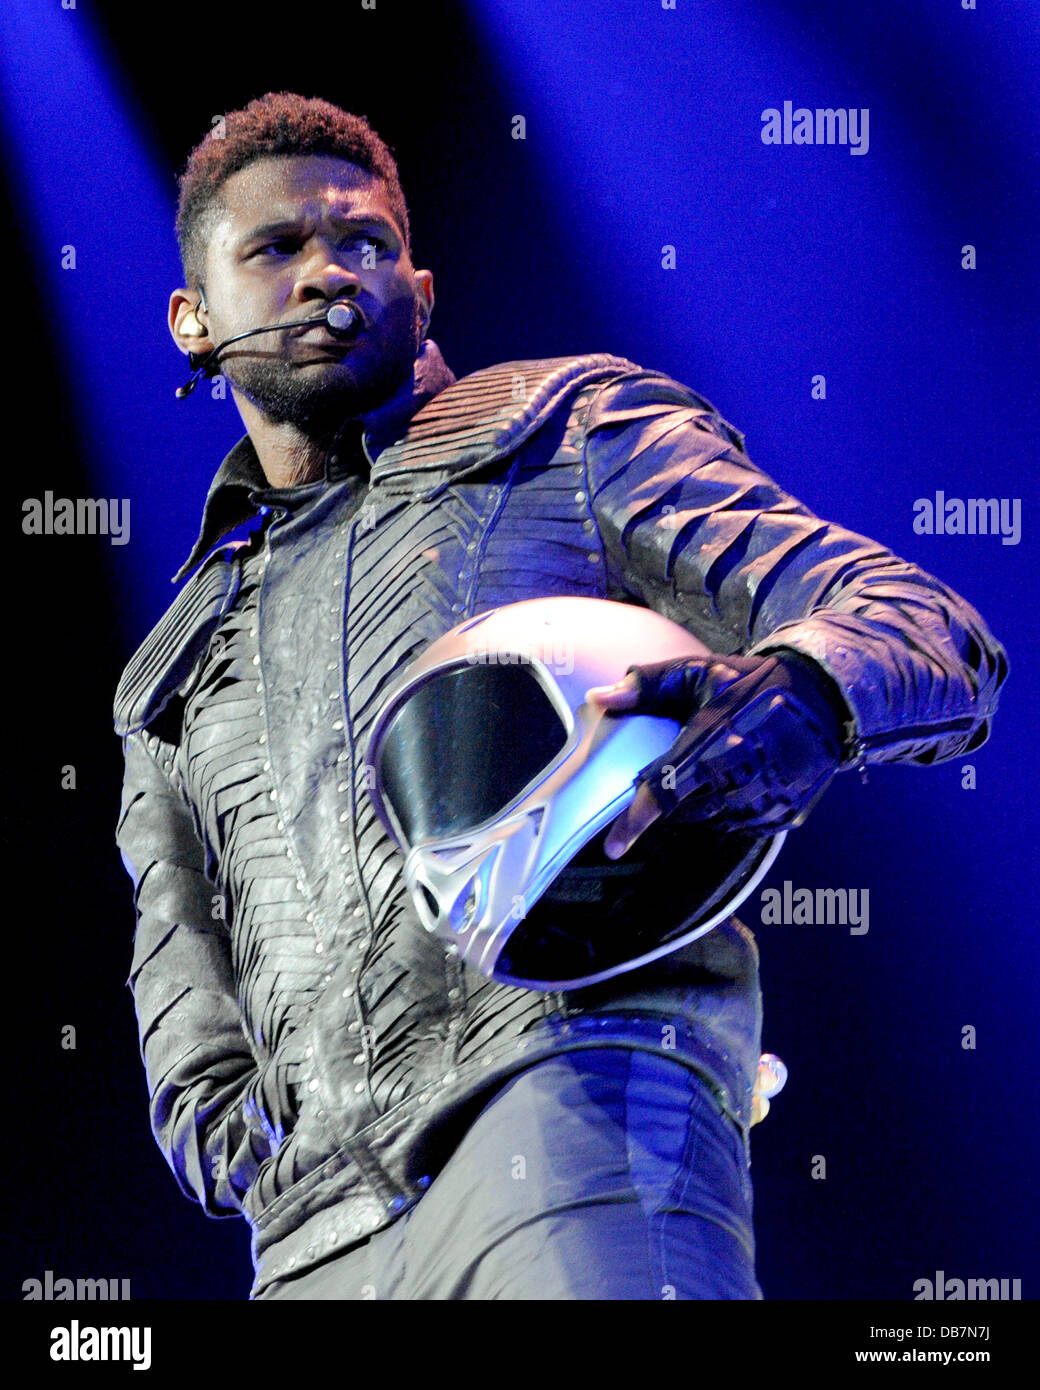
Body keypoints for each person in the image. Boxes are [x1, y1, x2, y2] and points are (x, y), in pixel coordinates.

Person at [113, 92, 1007, 1301]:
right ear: (191, 319)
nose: (330, 274)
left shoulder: (569, 428)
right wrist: (237, 1132)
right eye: (277, 249)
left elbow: (913, 619)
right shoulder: (173, 663)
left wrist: (800, 693)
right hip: (308, 1232)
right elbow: (176, 949)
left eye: (366, 244)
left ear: (420, 294)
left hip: (574, 1099)